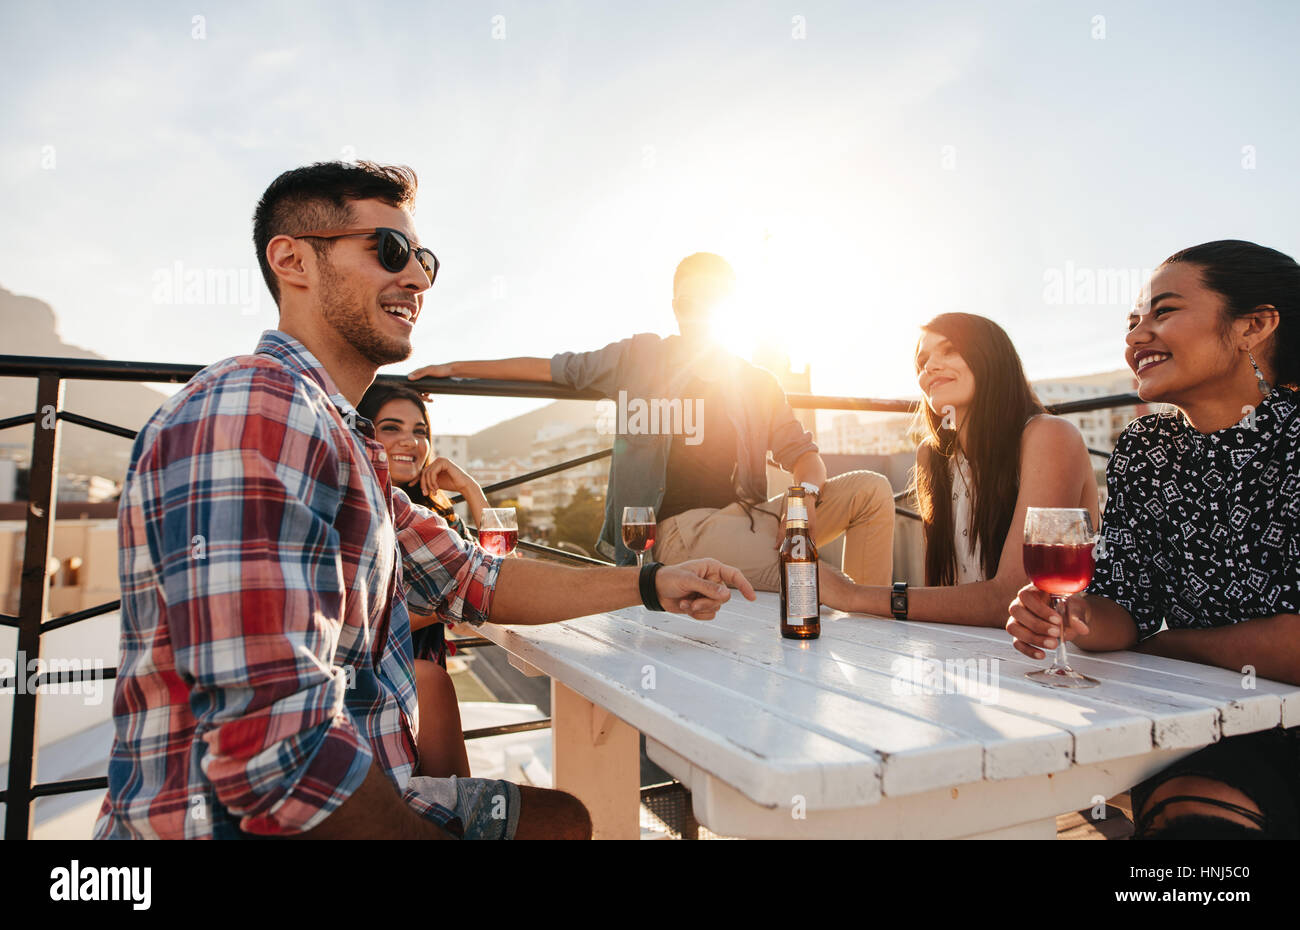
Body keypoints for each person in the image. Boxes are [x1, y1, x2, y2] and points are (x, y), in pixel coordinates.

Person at [94, 161, 755, 841]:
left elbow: (477, 577)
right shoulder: (257, 409)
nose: (416, 279)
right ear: (292, 260)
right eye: (389, 251)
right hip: (231, 824)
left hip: (366, 777)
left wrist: (652, 581)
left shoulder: (342, 440)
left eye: (424, 261)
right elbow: (278, 766)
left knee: (564, 821)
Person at [1007, 240, 1300, 839]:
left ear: (1255, 325)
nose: (1137, 336)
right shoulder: (1147, 449)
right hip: (1199, 721)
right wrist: (1076, 617)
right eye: (1133, 321)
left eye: (1163, 312)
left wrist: (1169, 648)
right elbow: (1125, 608)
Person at [409, 252, 896, 592]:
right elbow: (553, 367)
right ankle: (869, 623)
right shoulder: (641, 357)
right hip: (672, 534)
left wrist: (804, 498)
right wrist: (455, 368)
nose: (696, 311)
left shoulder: (756, 382)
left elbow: (805, 457)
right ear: (674, 307)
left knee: (870, 492)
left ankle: (870, 625)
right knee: (814, 579)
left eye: (710, 300)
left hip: (749, 521)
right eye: (686, 301)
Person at [819, 313, 1097, 625]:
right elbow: (942, 590)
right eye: (923, 360)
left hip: (1053, 651)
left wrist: (851, 595)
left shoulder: (1048, 435)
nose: (929, 367)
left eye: (949, 350)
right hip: (967, 649)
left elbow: (1015, 599)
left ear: (991, 358)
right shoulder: (931, 456)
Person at [358, 382, 486, 779]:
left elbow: (497, 574)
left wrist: (470, 489)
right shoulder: (357, 506)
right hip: (373, 672)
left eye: (420, 431)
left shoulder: (435, 514)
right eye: (391, 428)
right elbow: (369, 617)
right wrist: (453, 602)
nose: (410, 442)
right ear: (363, 433)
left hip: (423, 669)